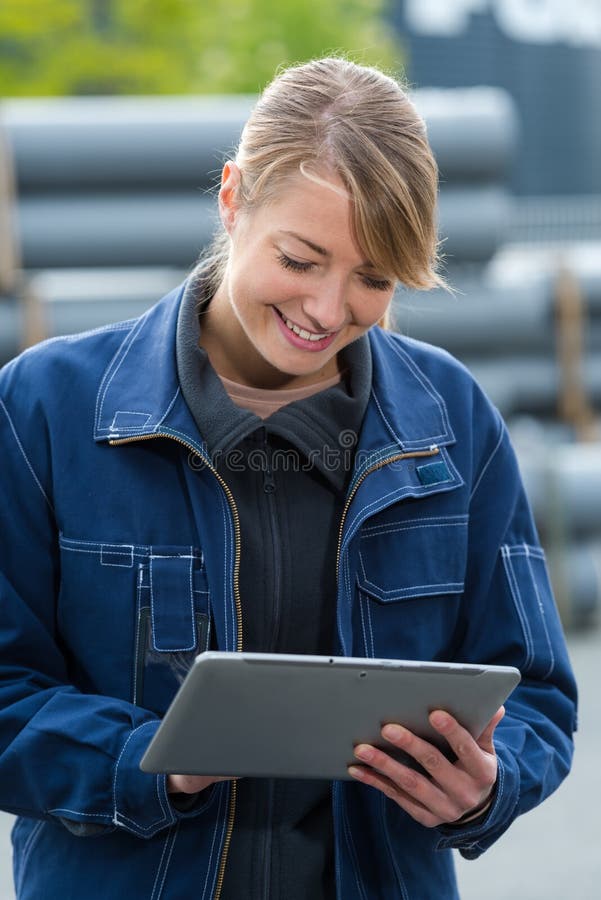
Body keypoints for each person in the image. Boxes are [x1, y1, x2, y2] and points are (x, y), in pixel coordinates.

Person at [0, 57, 576, 900]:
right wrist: (142, 762)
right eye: (302, 260)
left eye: (373, 278)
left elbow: (535, 696)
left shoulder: (454, 421)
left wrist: (490, 784)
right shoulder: (43, 411)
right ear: (233, 199)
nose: (326, 310)